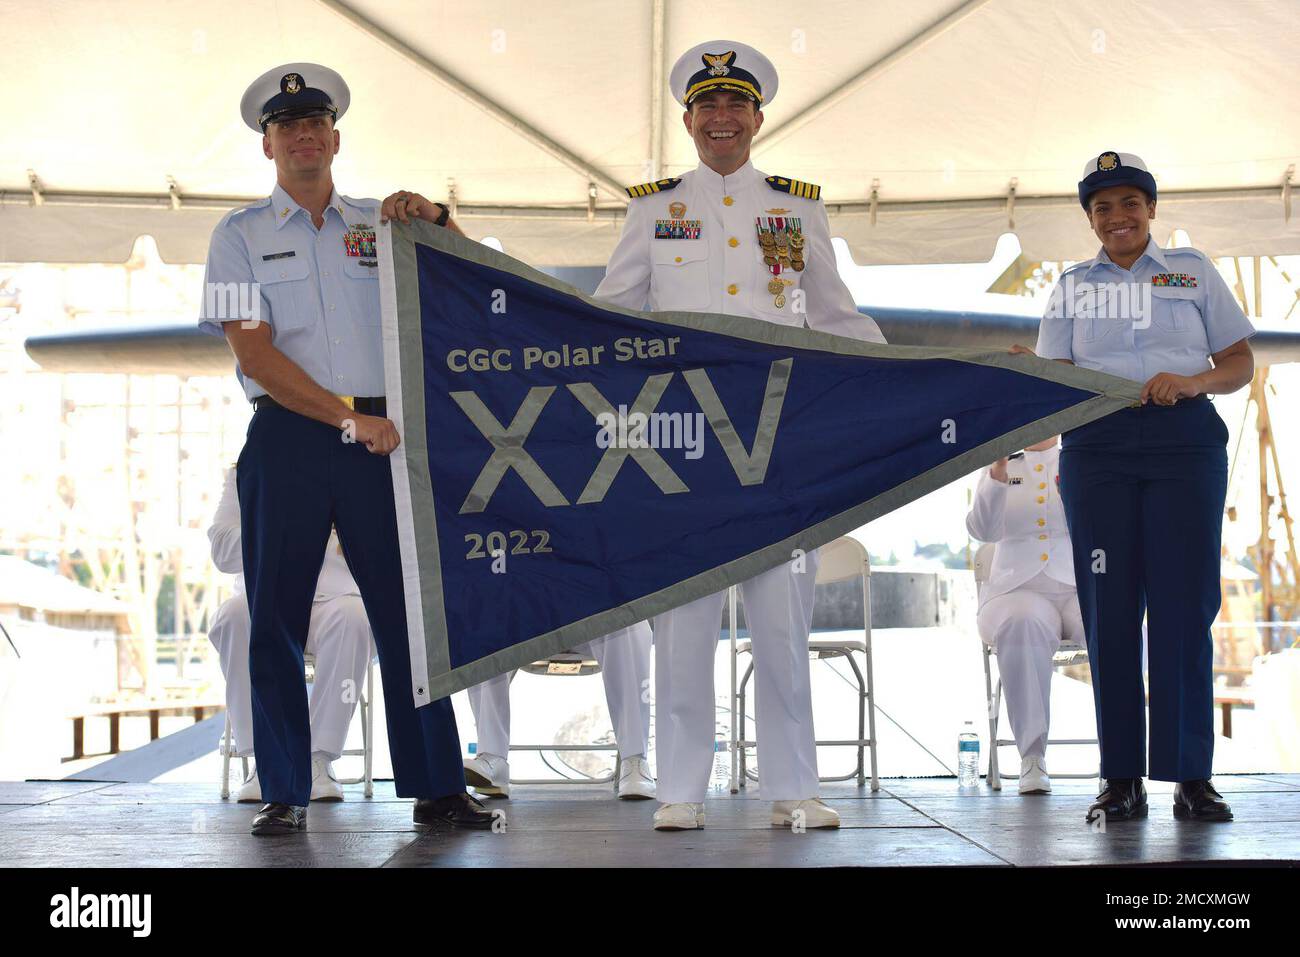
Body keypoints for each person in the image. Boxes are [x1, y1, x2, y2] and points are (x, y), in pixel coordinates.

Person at [595, 41, 886, 830]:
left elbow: (834, 316)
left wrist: (907, 374)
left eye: (736, 106)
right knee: (685, 616)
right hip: (685, 436)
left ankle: (794, 786)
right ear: (688, 120)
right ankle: (680, 788)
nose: (722, 119)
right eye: (707, 107)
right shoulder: (655, 207)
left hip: (776, 438)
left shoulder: (795, 209)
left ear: (758, 118)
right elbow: (615, 316)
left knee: (781, 616)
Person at [198, 62, 493, 835]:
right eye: (285, 126)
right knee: (276, 618)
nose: (302, 135)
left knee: (409, 618)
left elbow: (467, 283)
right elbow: (254, 356)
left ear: (335, 136)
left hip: (380, 435)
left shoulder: (384, 223)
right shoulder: (237, 237)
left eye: (314, 123)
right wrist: (343, 418)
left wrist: (439, 214)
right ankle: (286, 789)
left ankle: (436, 784)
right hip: (293, 434)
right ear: (267, 146)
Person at [1014, 151, 1256, 823]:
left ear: (1150, 209)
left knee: (1184, 609)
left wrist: (1192, 381)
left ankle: (1190, 777)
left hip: (1184, 442)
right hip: (1099, 449)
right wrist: (1028, 373)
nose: (1116, 217)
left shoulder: (1193, 271)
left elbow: (1239, 361)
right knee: (1109, 608)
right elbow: (1055, 373)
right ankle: (1120, 780)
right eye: (1101, 208)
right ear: (1089, 219)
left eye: (1128, 203)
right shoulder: (1070, 286)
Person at [208, 467, 372, 803]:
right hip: (265, 597)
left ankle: (317, 759)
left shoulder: (349, 470)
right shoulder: (246, 471)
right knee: (233, 616)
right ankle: (265, 760)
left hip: (334, 598)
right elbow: (223, 552)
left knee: (355, 617)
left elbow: (371, 543)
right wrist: (284, 527)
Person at [966, 437, 1082, 794]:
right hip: (1016, 588)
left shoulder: (1078, 456)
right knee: (1023, 620)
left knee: (1119, 623)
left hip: (1079, 583)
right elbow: (982, 530)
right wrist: (996, 470)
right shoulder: (998, 463)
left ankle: (1120, 760)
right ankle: (1032, 756)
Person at [464, 624, 655, 799]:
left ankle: (634, 760)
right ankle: (492, 757)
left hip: (593, 612)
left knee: (631, 624)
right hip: (528, 612)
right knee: (485, 621)